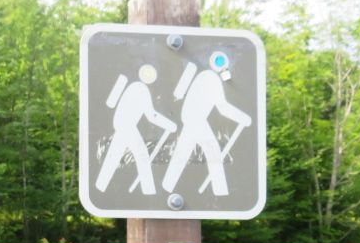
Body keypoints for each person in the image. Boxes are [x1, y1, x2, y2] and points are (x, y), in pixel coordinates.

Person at [162, 51, 251, 196]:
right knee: (212, 151)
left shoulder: (203, 76)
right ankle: (220, 191)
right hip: (196, 119)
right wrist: (243, 118)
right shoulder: (211, 79)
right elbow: (222, 108)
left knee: (185, 151)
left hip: (192, 118)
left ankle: (167, 184)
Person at [95, 64, 176, 194]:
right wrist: (169, 125)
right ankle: (149, 191)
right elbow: (151, 115)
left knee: (114, 155)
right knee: (141, 155)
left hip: (122, 125)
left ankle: (100, 186)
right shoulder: (141, 89)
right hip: (127, 126)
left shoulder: (133, 86)